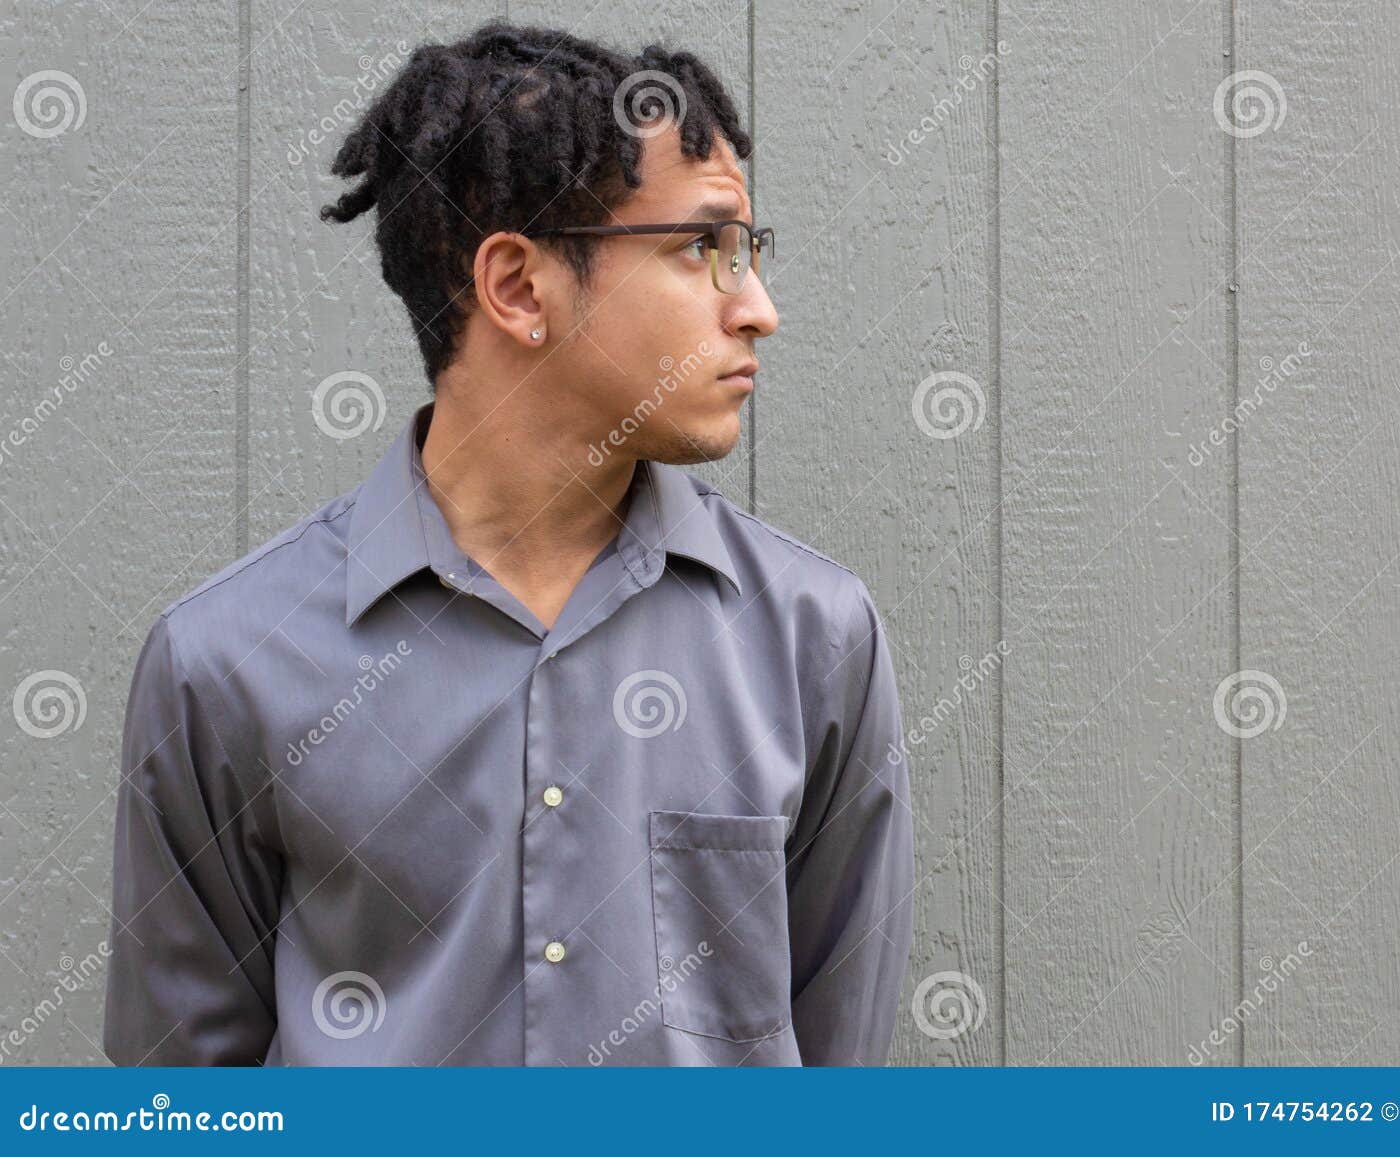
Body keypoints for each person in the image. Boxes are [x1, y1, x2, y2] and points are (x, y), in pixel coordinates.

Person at [101, 20, 913, 1066]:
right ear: (520, 287)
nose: (757, 308)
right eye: (700, 249)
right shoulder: (226, 661)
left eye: (747, 251)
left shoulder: (812, 638)